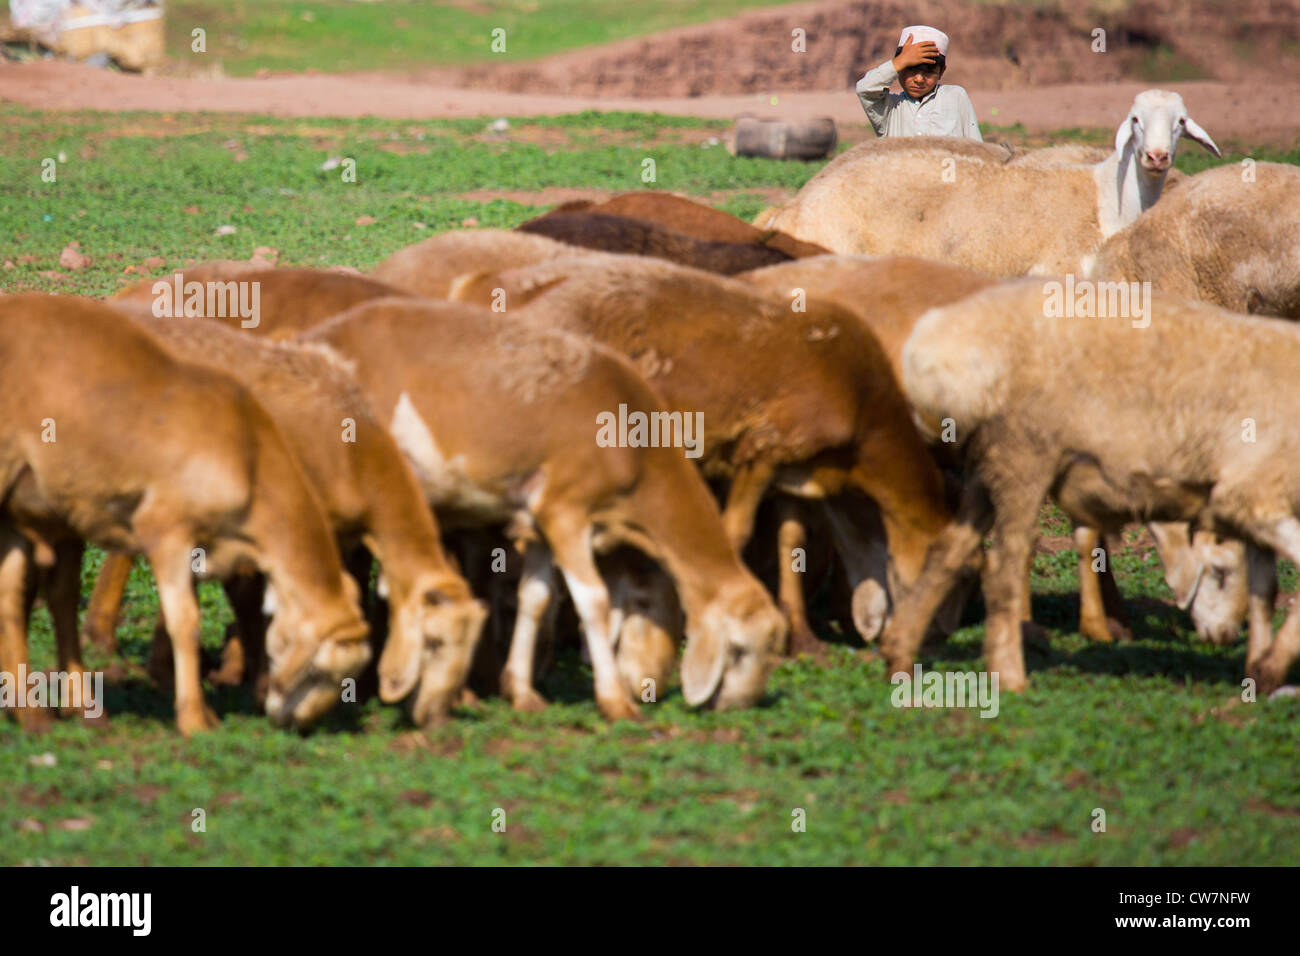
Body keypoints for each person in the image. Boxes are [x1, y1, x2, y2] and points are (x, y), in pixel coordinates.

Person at [856, 26, 982, 141]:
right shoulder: (890, 108)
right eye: (910, 69)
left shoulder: (955, 97)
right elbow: (865, 89)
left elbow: (976, 148)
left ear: (941, 72)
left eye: (929, 72)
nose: (919, 79)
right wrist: (900, 61)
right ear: (900, 69)